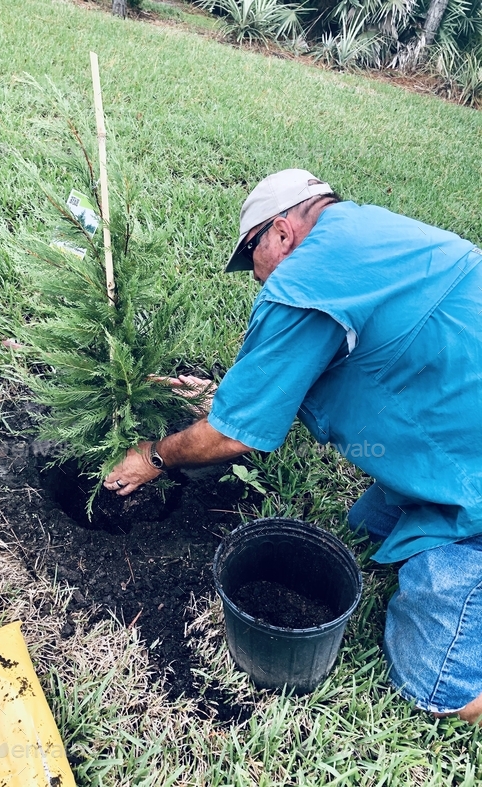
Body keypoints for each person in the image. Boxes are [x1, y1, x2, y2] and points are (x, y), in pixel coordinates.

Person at [104, 169, 482, 723]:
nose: (258, 280)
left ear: (279, 233)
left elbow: (236, 437)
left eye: (250, 257)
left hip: (470, 468)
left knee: (433, 688)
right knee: (369, 528)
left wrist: (155, 455)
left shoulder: (304, 281)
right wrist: (227, 395)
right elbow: (314, 371)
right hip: (456, 410)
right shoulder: (365, 233)